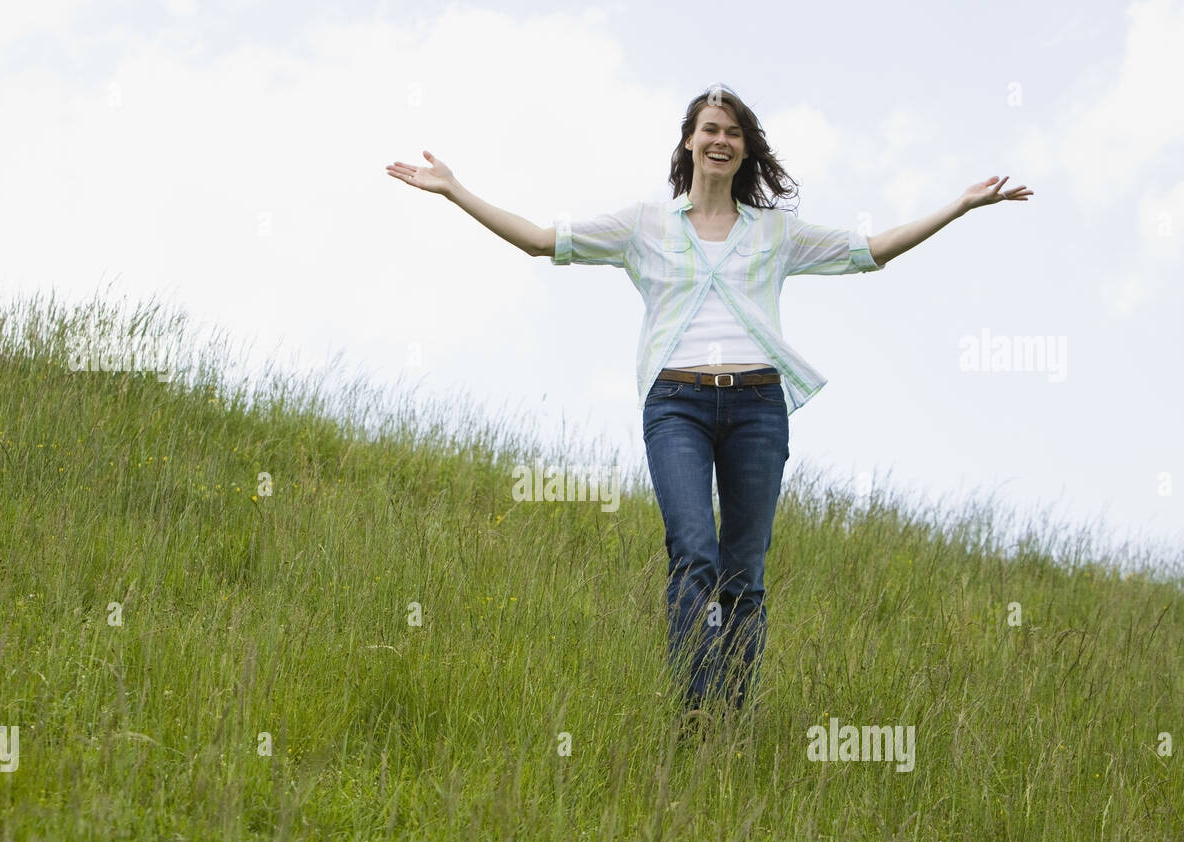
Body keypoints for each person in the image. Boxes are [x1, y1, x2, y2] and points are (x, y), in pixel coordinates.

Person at [385, 84, 1032, 738]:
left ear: (745, 149)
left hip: (757, 407)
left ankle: (730, 717)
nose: (720, 140)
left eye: (733, 132)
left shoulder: (774, 233)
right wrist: (456, 190)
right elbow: (539, 241)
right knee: (693, 552)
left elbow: (872, 251)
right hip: (676, 404)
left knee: (743, 574)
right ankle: (695, 713)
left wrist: (960, 206)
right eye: (710, 129)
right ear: (689, 142)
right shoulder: (644, 226)